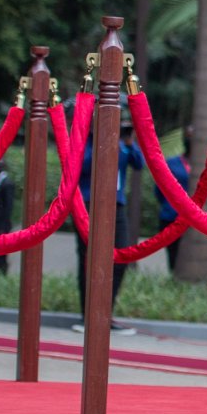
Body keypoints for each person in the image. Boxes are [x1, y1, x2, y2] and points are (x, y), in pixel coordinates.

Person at [73, 109, 144, 333]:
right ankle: (88, 316)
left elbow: (139, 163)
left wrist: (128, 141)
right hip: (89, 205)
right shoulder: (87, 142)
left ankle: (105, 313)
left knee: (121, 256)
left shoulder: (122, 144)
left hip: (116, 205)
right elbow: (81, 165)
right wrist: (102, 139)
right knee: (89, 259)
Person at [158, 126, 195, 274]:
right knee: (174, 258)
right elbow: (160, 190)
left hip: (197, 221)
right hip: (171, 217)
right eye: (188, 136)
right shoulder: (172, 163)